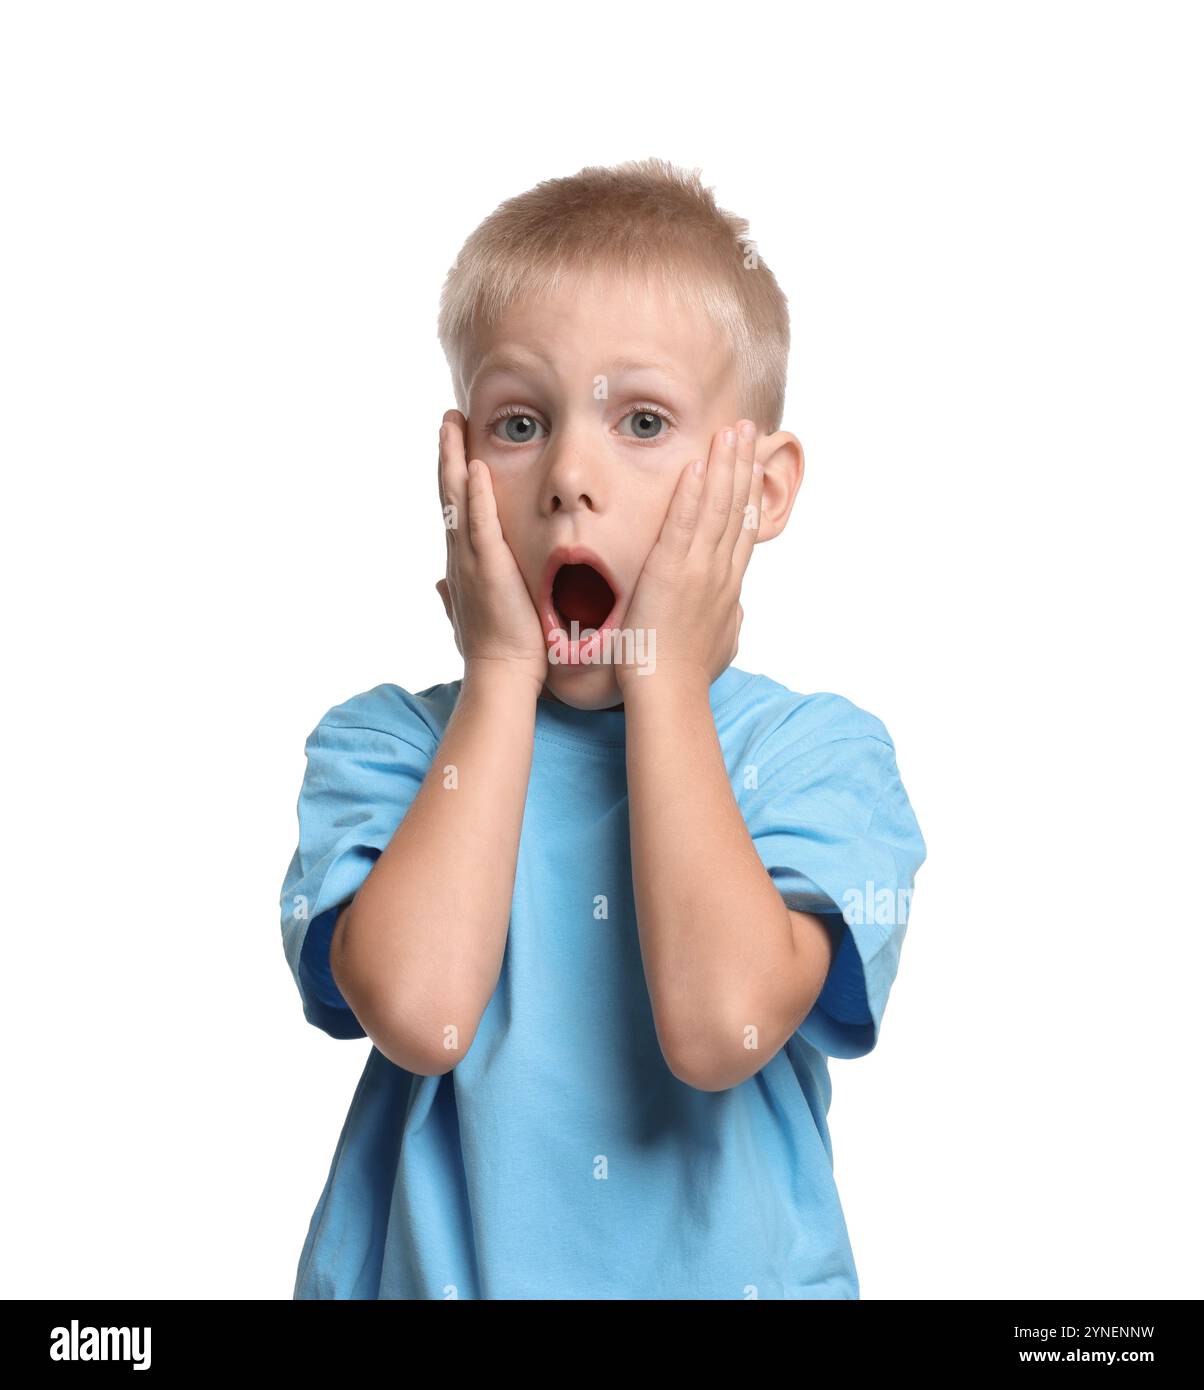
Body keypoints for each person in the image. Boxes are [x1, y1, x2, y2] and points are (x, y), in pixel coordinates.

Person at [279, 157, 927, 1299]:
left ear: (764, 490)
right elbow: (422, 1016)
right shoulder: (384, 750)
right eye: (519, 423)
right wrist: (497, 673)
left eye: (642, 420)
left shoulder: (818, 759)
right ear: (456, 471)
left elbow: (720, 1028)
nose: (569, 476)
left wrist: (664, 681)